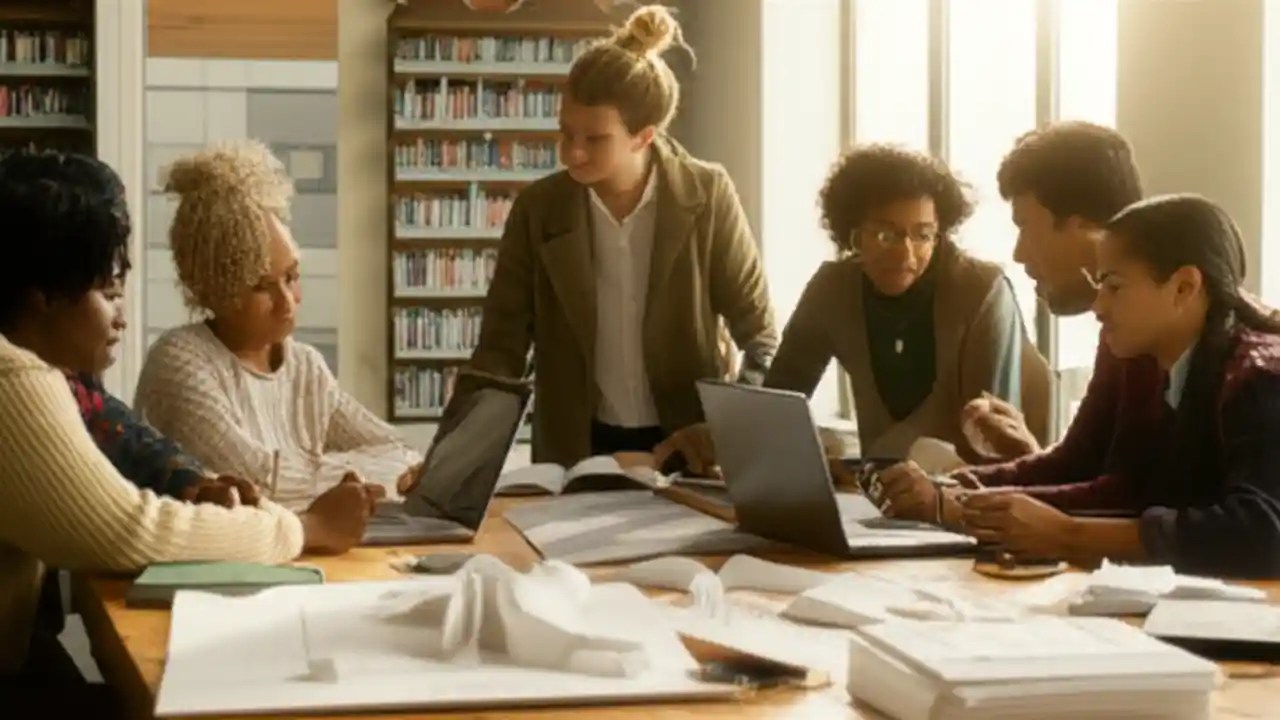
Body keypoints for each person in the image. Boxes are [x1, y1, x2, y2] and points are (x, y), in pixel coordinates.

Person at [0, 149, 369, 698]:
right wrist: (305, 529)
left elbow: (126, 441)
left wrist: (190, 483)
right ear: (45, 297)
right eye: (108, 293)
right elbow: (129, 529)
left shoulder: (62, 377)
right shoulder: (14, 380)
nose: (120, 314)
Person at [448, 5, 777, 470]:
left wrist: (725, 428)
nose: (572, 152)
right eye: (566, 132)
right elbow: (499, 350)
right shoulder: (538, 210)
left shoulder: (708, 195)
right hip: (574, 451)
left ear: (642, 137)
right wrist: (452, 465)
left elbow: (760, 335)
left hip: (688, 448)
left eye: (595, 139)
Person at [959, 195, 1280, 578]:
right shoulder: (1171, 370)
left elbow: (1263, 531)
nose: (1098, 307)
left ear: (1183, 287)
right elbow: (1140, 493)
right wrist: (970, 497)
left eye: (1113, 287)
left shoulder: (1260, 374)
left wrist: (1068, 535)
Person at [879, 121, 1144, 524]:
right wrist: (953, 487)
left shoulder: (1150, 333)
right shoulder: (1118, 332)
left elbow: (1131, 497)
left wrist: (949, 504)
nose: (1019, 254)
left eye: (1023, 225)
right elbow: (1079, 467)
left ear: (1081, 226)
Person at [133, 141, 421, 511]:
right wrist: (376, 475)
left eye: (292, 277)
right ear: (213, 289)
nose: (288, 302)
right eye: (261, 287)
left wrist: (358, 477)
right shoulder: (179, 362)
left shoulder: (305, 366)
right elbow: (258, 485)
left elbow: (405, 452)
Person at [760, 145, 1049, 462]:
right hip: (881, 493)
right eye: (885, 235)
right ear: (852, 233)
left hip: (973, 492)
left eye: (923, 235)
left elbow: (994, 448)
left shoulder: (981, 290)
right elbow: (777, 402)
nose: (905, 256)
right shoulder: (833, 288)